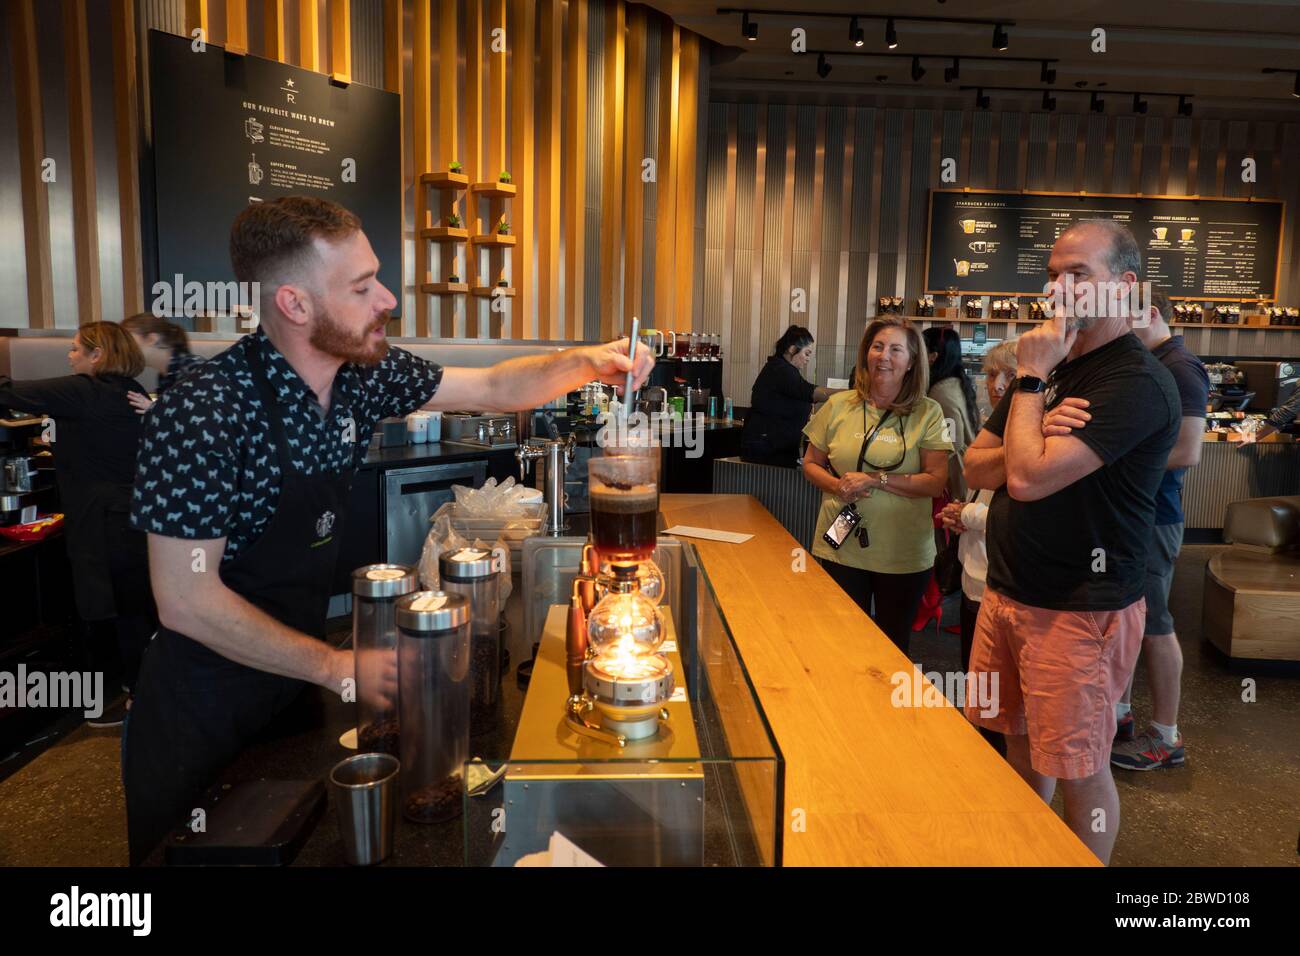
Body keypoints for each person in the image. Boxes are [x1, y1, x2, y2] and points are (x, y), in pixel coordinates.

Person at [123, 196, 654, 865]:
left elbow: (491, 385)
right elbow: (185, 599)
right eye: (361, 286)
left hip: (287, 696)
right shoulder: (204, 412)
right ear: (294, 304)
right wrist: (336, 666)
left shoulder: (360, 378)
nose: (387, 298)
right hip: (200, 713)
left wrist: (586, 360)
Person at [962, 219, 1180, 864]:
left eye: (1079, 274)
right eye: (1054, 273)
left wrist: (1028, 395)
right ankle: (1027, 853)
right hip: (1009, 591)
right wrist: (1036, 421)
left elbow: (1026, 480)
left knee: (1081, 764)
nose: (1059, 287)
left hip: (1079, 608)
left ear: (1126, 286)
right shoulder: (1055, 367)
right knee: (1022, 744)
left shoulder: (1131, 380)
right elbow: (975, 467)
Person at [1042, 292, 1207, 771]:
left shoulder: (1177, 367)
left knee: (1156, 623)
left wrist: (1096, 456)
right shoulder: (1142, 365)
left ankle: (1167, 736)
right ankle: (1123, 715)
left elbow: (1187, 451)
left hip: (1154, 516)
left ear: (1148, 314)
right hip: (1125, 516)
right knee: (1128, 622)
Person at [0, 323, 156, 725]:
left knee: (121, 609)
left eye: (74, 350)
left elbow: (10, 393)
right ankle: (139, 689)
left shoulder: (81, 391)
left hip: (105, 517)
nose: (69, 357)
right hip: (134, 512)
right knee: (135, 607)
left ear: (96, 354)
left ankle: (139, 701)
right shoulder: (134, 390)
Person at [801, 317, 952, 652]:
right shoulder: (839, 405)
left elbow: (936, 481)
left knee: (891, 647)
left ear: (912, 361)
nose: (884, 356)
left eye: (896, 349)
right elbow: (811, 464)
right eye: (878, 346)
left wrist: (877, 479)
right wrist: (836, 484)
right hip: (840, 547)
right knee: (838, 643)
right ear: (866, 353)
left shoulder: (928, 412)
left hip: (902, 554)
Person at [938, 338, 1017, 756]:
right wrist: (962, 510)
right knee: (976, 686)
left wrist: (966, 516)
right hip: (975, 580)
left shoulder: (1034, 438)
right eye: (990, 374)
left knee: (999, 704)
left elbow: (1023, 520)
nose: (998, 385)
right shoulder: (994, 432)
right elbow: (985, 502)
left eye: (1011, 375)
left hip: (1003, 587)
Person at [741, 325, 846, 467]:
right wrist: (850, 393)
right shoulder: (780, 369)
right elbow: (811, 392)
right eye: (807, 353)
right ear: (792, 349)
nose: (808, 359)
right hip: (767, 449)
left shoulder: (784, 369)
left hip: (776, 447)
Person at [922, 326, 979, 500]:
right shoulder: (955, 383)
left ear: (933, 357)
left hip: (954, 481)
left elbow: (953, 441)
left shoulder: (940, 392)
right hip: (964, 474)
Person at [121, 313, 206, 413]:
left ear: (151, 339)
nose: (125, 349)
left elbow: (201, 413)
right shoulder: (164, 376)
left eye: (128, 341)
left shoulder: (193, 368)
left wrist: (155, 408)